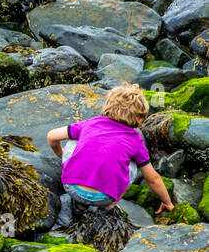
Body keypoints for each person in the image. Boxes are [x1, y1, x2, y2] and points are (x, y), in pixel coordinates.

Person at [47, 83, 172, 225]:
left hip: (71, 188)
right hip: (105, 197)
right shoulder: (136, 140)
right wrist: (167, 202)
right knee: (134, 162)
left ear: (107, 106)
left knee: (74, 140)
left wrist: (62, 155)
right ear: (139, 119)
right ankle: (109, 207)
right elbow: (153, 179)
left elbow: (52, 136)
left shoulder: (90, 123)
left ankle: (80, 206)